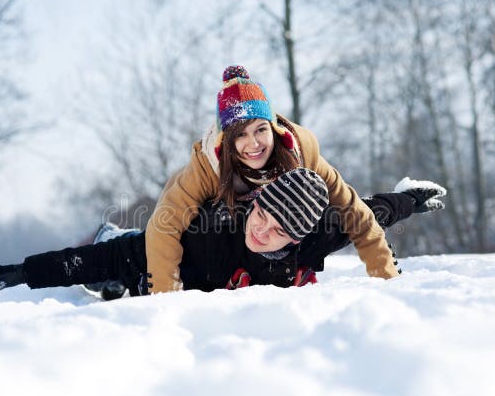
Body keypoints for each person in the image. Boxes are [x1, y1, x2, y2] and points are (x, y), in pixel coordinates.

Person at [0, 169, 446, 299]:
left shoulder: (315, 236)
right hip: (158, 270)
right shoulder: (213, 234)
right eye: (262, 215)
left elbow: (370, 212)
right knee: (108, 270)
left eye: (278, 231)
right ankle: (108, 232)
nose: (262, 230)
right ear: (255, 202)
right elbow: (90, 262)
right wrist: (22, 272)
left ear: (298, 239)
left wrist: (408, 199)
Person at [145, 65, 401, 294]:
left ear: (274, 128)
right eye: (240, 135)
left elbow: (352, 208)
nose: (253, 143)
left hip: (261, 233)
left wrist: (385, 275)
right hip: (213, 237)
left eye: (261, 129)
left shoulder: (300, 153)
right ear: (226, 140)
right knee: (192, 234)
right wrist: (166, 296)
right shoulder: (207, 168)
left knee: (329, 222)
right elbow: (164, 226)